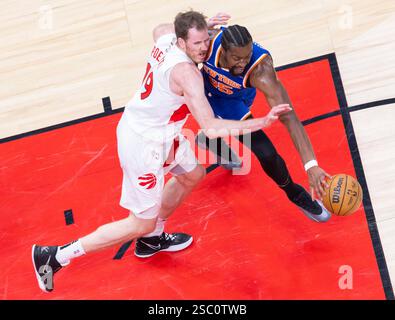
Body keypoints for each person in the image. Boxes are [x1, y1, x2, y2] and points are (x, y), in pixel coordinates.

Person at [32, 11, 291, 293]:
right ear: (181, 43)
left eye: (206, 40)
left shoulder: (167, 39)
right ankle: (55, 256)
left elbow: (158, 28)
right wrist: (261, 122)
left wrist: (205, 25)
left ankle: (152, 240)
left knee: (192, 173)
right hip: (143, 143)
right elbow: (211, 127)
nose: (204, 48)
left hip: (161, 132)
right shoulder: (188, 75)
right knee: (139, 222)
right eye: (197, 44)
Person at [196, 23, 332, 223]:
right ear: (223, 50)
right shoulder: (207, 42)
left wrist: (311, 165)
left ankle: (292, 192)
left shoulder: (260, 70)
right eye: (236, 58)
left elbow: (289, 116)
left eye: (246, 56)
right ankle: (210, 135)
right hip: (197, 91)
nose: (243, 63)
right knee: (263, 149)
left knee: (268, 155)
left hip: (232, 102)